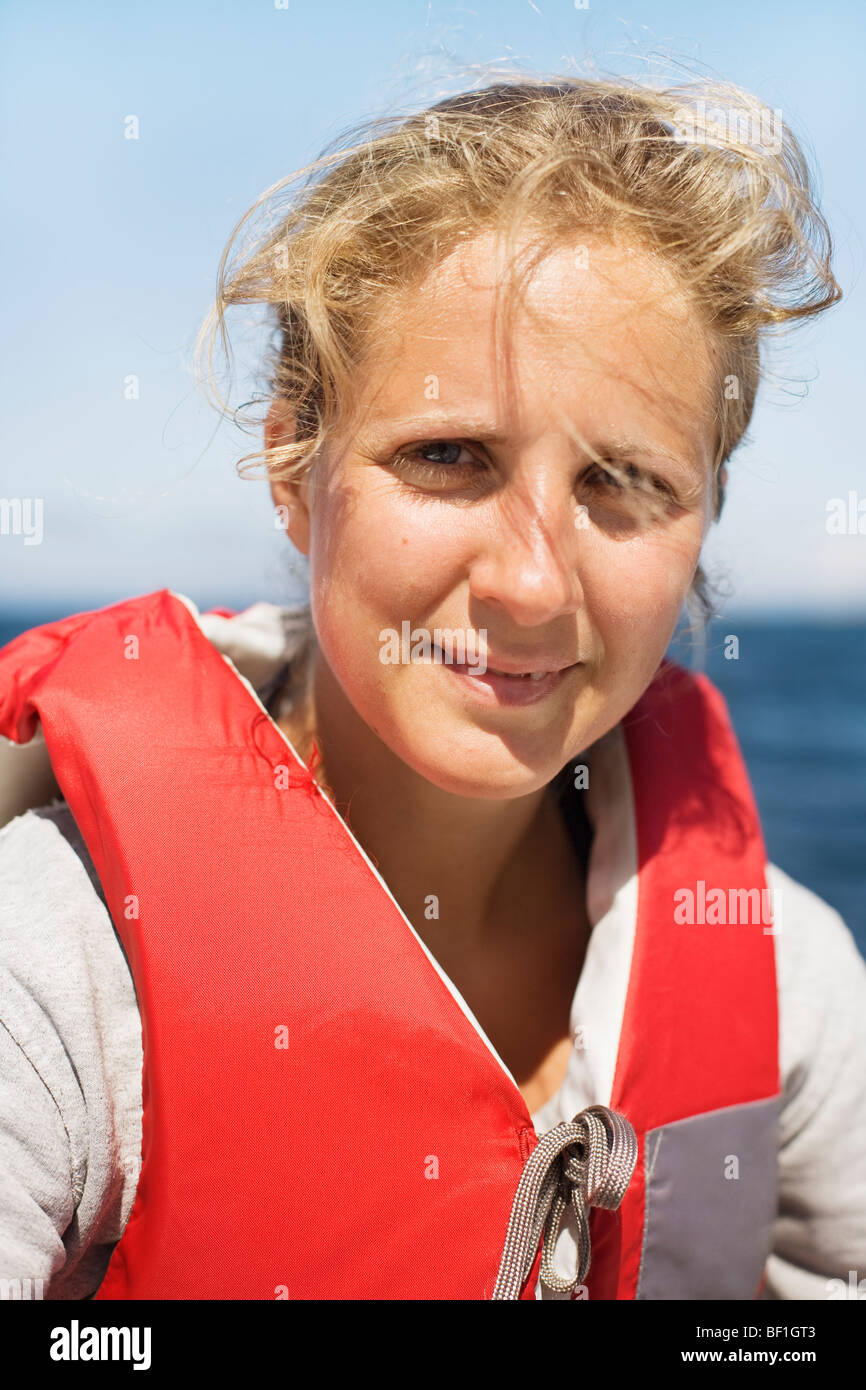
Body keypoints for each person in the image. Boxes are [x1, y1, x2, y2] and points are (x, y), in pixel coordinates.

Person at [1, 75, 865, 1302]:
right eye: (445, 456)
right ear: (294, 466)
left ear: (702, 521)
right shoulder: (53, 966)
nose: (527, 581)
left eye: (623, 480)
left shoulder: (795, 986)